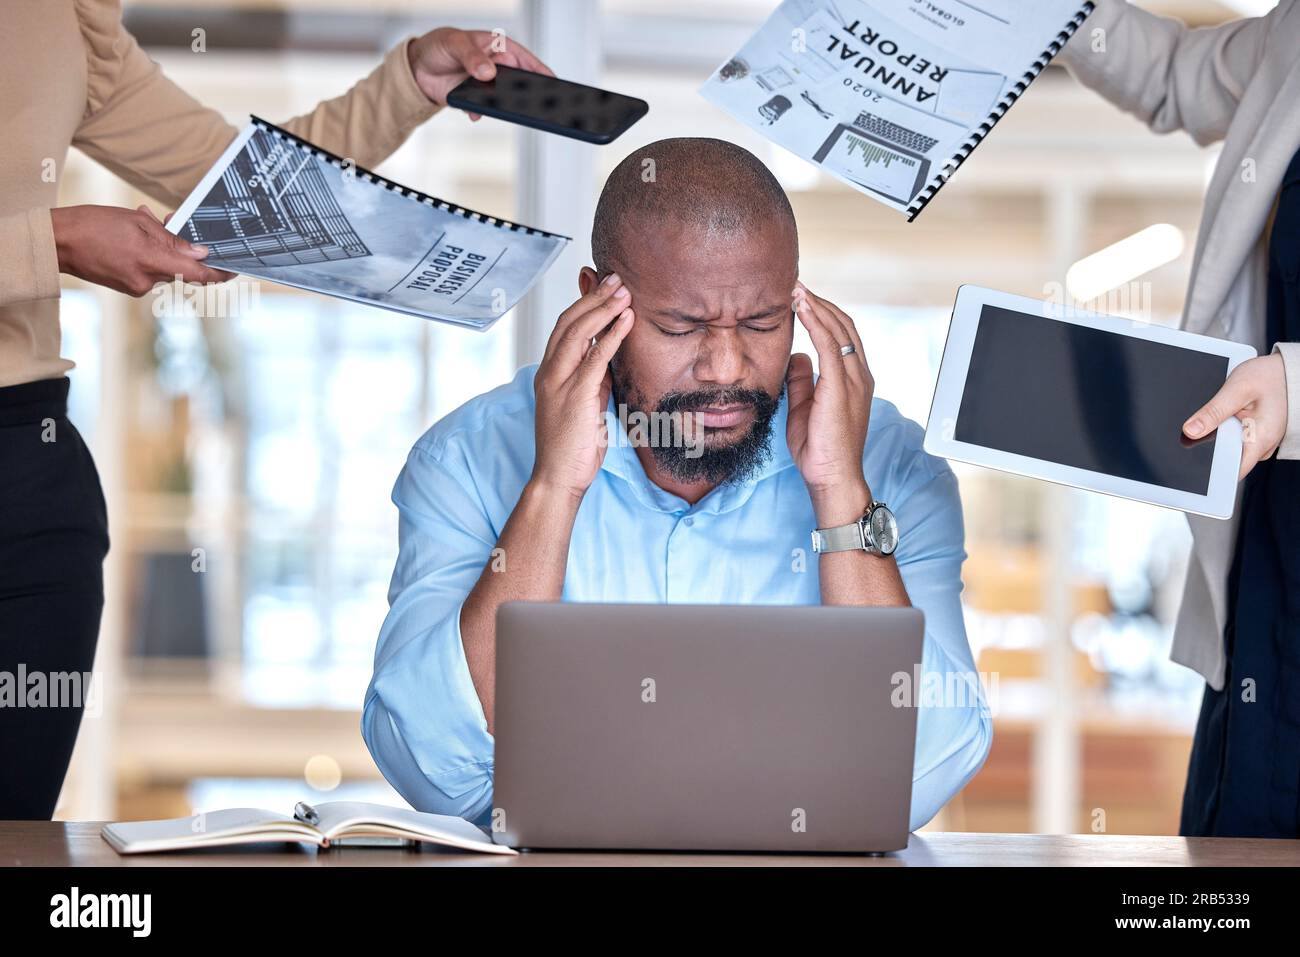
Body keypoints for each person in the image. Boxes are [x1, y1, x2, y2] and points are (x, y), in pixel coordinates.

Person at [0, 0, 551, 819]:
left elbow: (248, 183)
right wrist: (55, 242)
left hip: (28, 470)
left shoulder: (62, 17)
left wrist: (408, 83)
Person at [363, 138, 992, 833]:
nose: (726, 366)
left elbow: (925, 769)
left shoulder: (895, 468)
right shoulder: (465, 463)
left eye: (761, 322)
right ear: (598, 303)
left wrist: (841, 492)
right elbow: (428, 768)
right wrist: (552, 488)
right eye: (680, 325)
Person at [1058, 0, 1300, 836]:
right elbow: (1171, 76)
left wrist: (1295, 393)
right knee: (1226, 879)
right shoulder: (1293, 32)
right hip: (1268, 559)